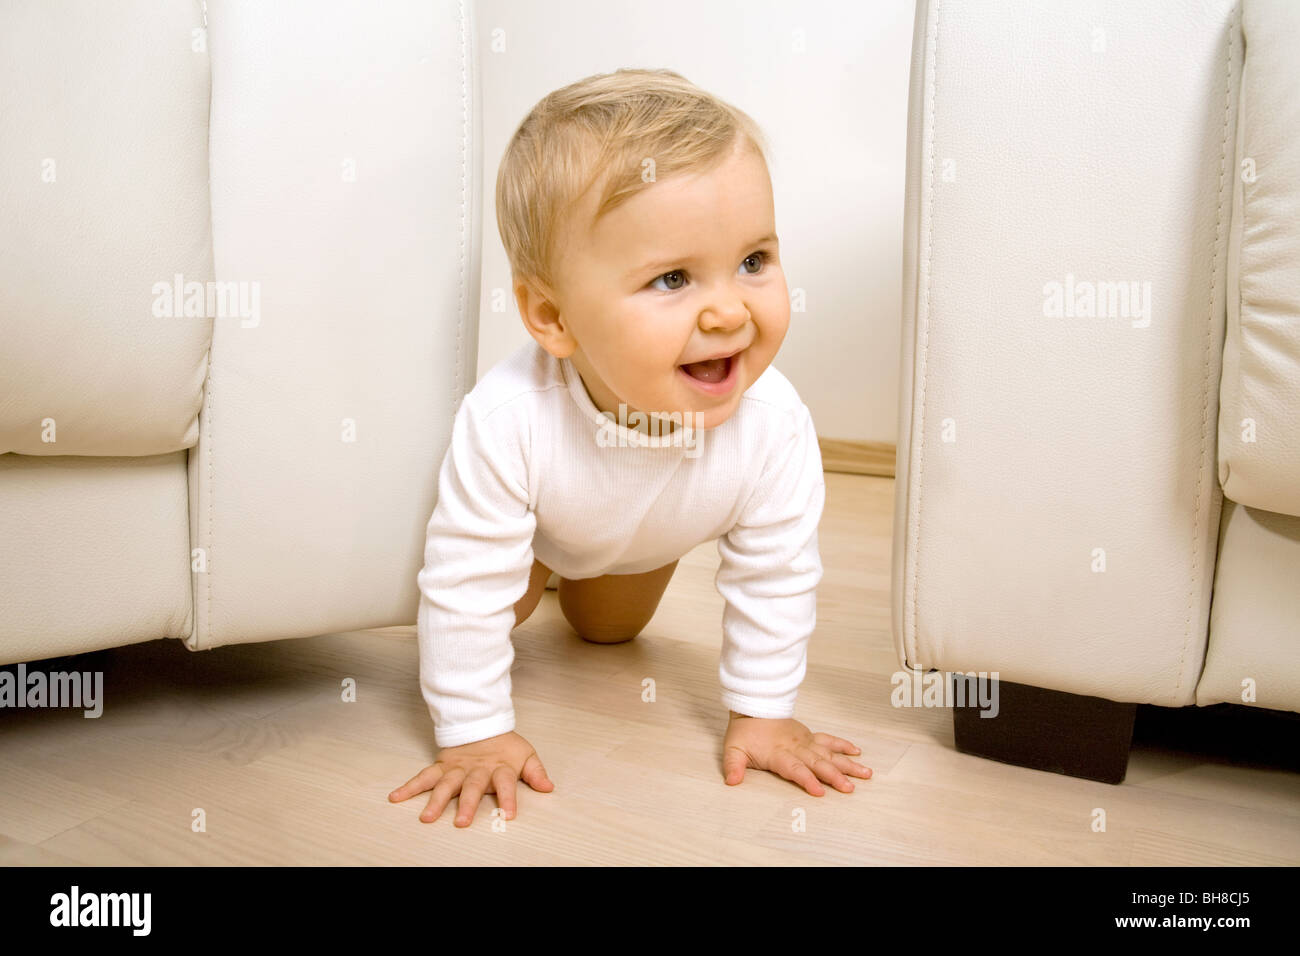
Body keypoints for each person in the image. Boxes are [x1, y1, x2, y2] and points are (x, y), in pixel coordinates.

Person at [390, 68, 871, 827]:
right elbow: (463, 586)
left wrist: (765, 712)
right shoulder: (509, 418)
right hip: (550, 521)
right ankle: (543, 566)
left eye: (753, 262)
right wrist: (474, 732)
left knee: (606, 630)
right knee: (496, 605)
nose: (727, 311)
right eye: (673, 277)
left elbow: (776, 575)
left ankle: (596, 568)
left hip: (651, 533)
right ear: (552, 317)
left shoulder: (774, 423)